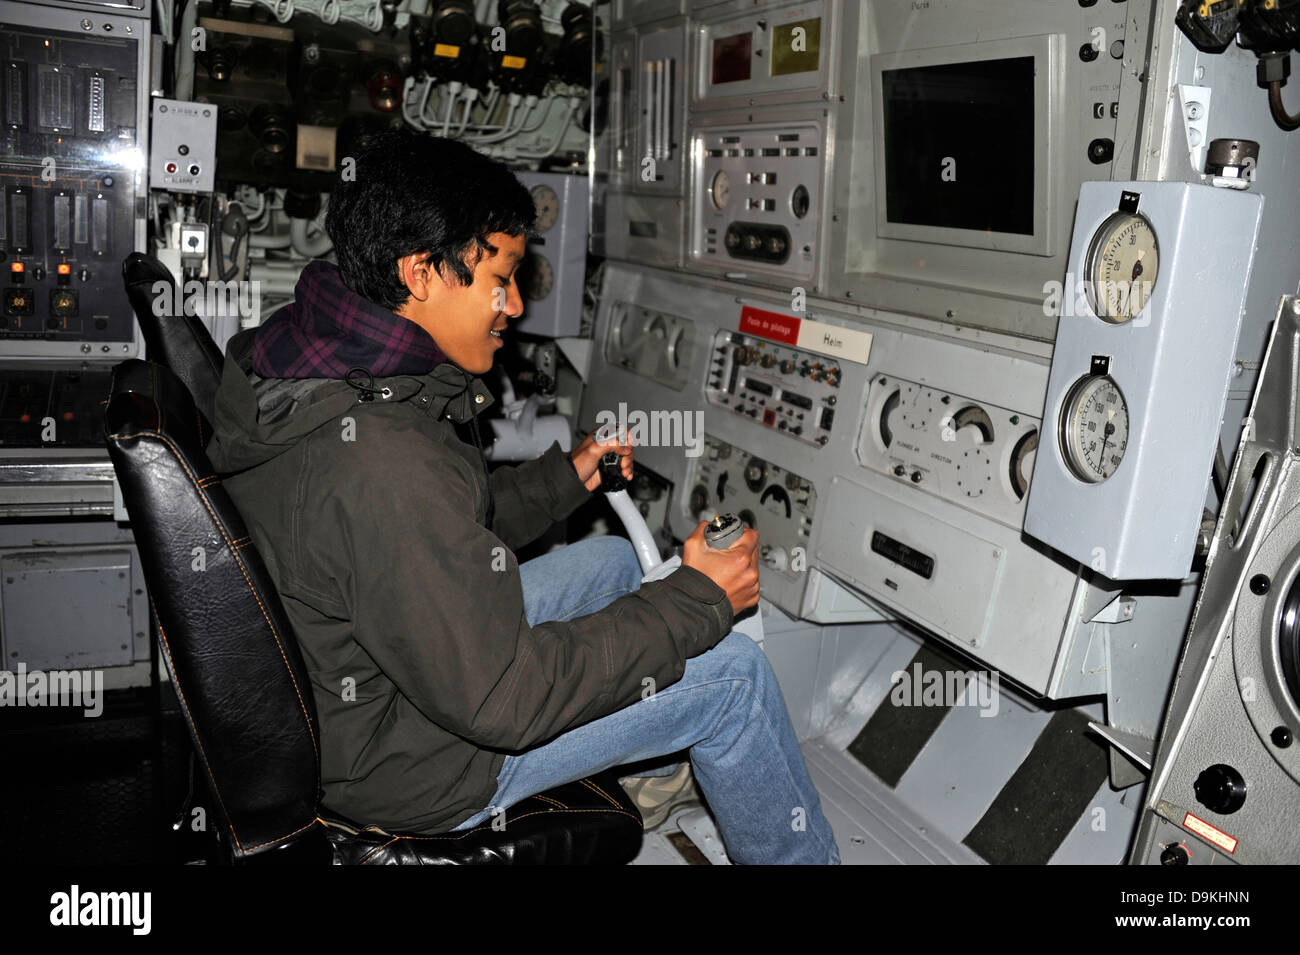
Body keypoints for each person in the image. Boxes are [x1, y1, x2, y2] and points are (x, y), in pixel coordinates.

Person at [206, 127, 839, 864]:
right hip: (416, 760)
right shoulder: (381, 457)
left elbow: (435, 537)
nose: (512, 307)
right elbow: (503, 696)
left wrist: (565, 477)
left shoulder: (311, 355)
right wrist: (698, 599)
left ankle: (657, 772)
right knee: (735, 676)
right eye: (498, 280)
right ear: (420, 273)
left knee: (609, 561)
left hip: (375, 674)